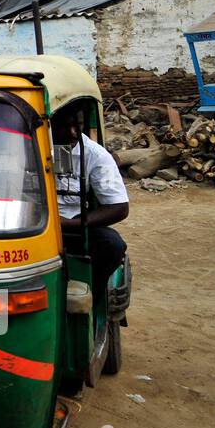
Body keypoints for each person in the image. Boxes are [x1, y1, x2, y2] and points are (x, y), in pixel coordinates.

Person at [52, 107, 129, 294]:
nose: (72, 134)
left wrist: (70, 224)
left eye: (77, 126)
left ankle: (93, 298)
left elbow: (119, 207)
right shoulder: (24, 147)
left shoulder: (95, 155)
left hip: (70, 226)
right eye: (64, 126)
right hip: (28, 225)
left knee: (113, 245)